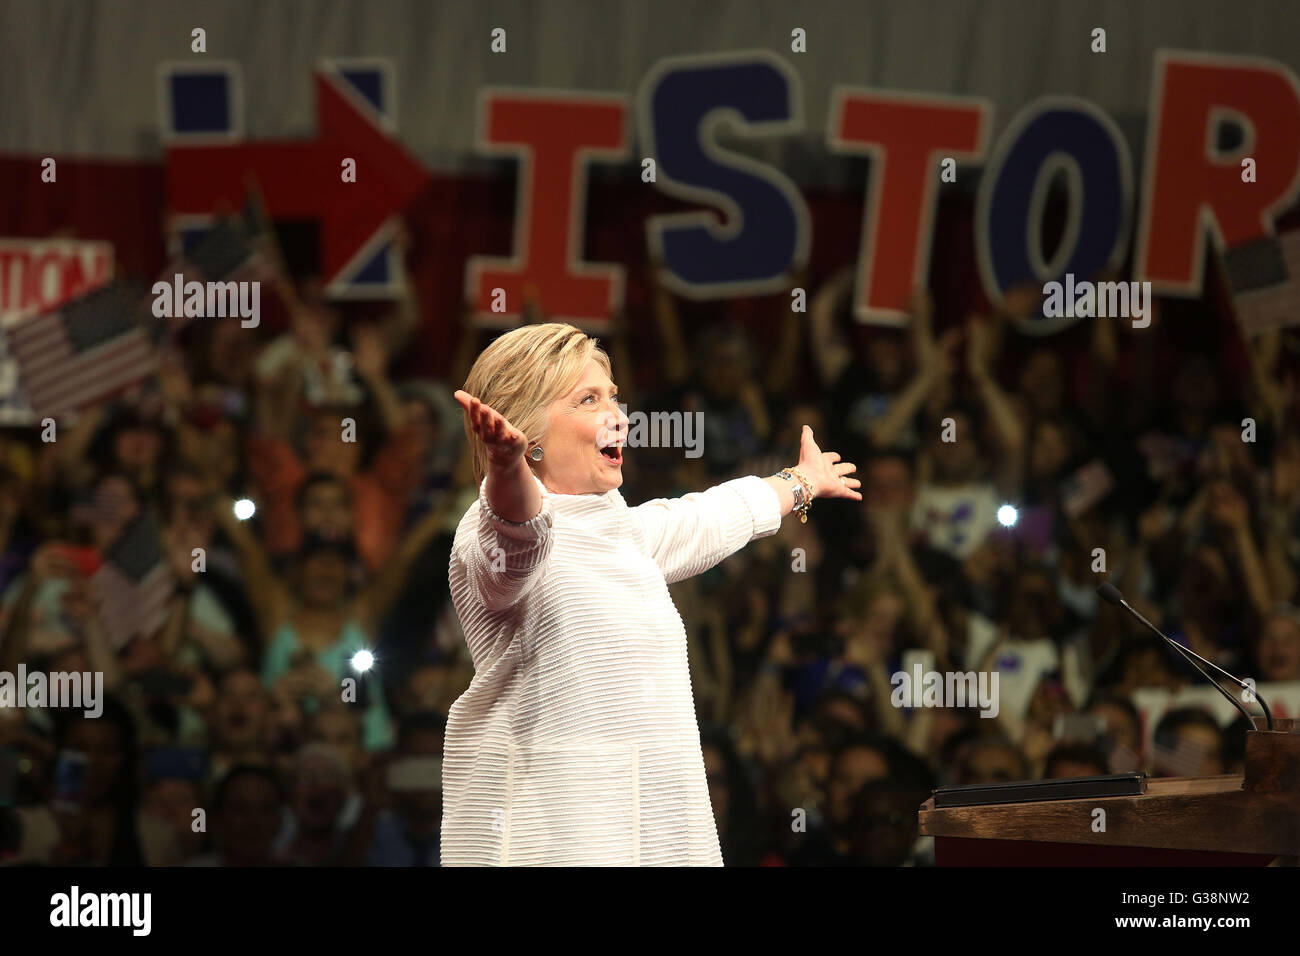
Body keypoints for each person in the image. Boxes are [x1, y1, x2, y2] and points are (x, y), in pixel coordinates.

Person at [443, 322, 862, 866]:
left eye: (613, 397)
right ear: (526, 431)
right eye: (588, 399)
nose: (617, 415)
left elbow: (710, 515)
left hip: (653, 837)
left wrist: (800, 482)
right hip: (551, 843)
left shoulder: (626, 537)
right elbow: (517, 534)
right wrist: (506, 469)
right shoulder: (488, 531)